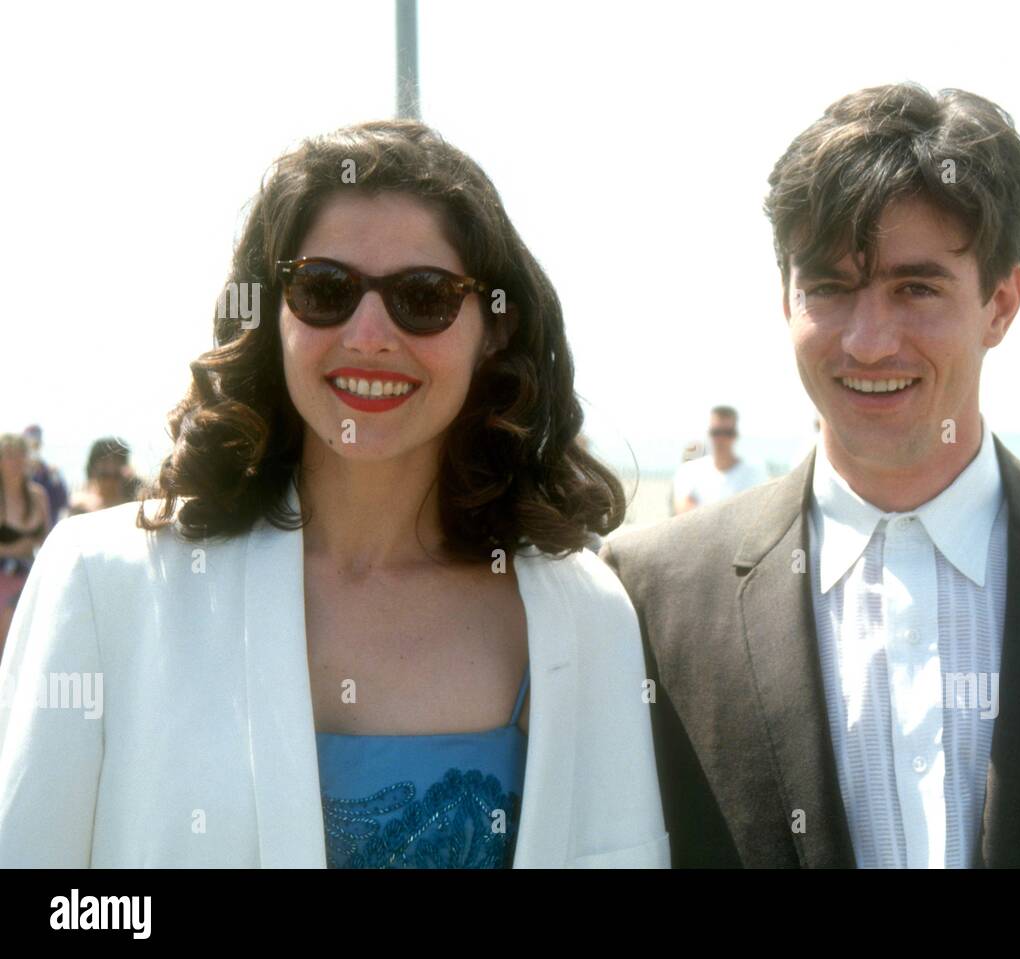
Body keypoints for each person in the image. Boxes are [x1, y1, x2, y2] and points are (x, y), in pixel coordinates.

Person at [602, 83, 1020, 867]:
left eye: (915, 288)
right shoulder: (650, 600)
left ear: (1001, 303)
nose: (866, 341)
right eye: (828, 286)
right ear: (784, 297)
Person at [0, 120, 667, 868]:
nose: (370, 333)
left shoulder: (585, 615)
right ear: (271, 315)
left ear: (496, 328)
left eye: (425, 296)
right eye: (325, 289)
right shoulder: (102, 582)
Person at [0, 433, 51, 660]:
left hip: (30, 572)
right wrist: (17, 547)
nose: (16, 461)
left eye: (20, 454)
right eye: (9, 455)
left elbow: (47, 541)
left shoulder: (38, 496)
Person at [671, 406, 766, 515]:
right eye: (716, 432)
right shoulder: (688, 471)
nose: (721, 439)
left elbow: (756, 511)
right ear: (709, 434)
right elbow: (684, 513)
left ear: (735, 436)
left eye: (728, 433)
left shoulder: (754, 471)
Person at [67, 438, 137, 516]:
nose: (111, 468)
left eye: (116, 460)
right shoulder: (81, 505)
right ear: (93, 468)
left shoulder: (133, 504)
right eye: (105, 462)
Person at [21, 425, 68, 526]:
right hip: (23, 533)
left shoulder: (51, 472)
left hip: (48, 531)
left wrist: (55, 477)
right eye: (29, 445)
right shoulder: (16, 473)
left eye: (36, 445)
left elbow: (63, 501)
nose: (33, 449)